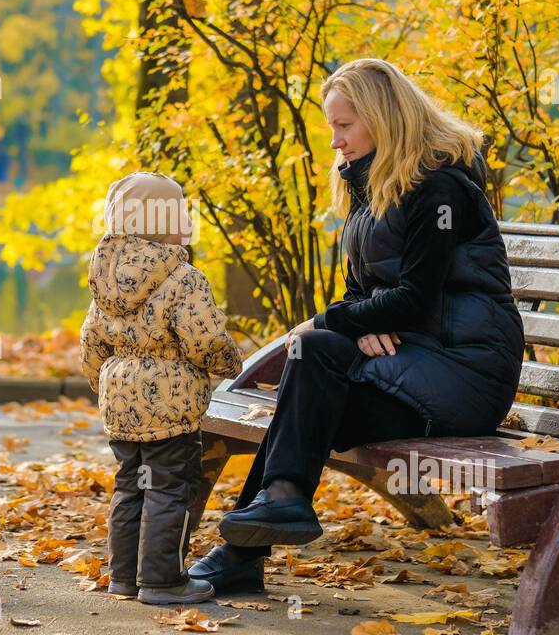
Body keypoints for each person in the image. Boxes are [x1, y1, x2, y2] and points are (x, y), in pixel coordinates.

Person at [189, 57, 525, 595]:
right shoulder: (372, 192)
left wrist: (330, 323)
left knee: (313, 353)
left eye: (344, 126)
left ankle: (248, 547)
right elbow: (366, 295)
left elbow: (413, 297)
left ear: (384, 119)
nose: (335, 142)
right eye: (332, 128)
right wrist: (357, 324)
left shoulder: (440, 190)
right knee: (308, 383)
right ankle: (271, 517)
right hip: (408, 369)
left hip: (464, 376)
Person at [80, 171, 244, 605]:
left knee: (130, 485)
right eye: (181, 212)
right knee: (170, 487)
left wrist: (102, 381)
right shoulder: (183, 276)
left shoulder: (106, 277)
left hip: (120, 402)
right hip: (171, 403)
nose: (187, 220)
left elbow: (91, 340)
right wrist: (230, 363)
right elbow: (203, 339)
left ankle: (124, 577)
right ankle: (162, 580)